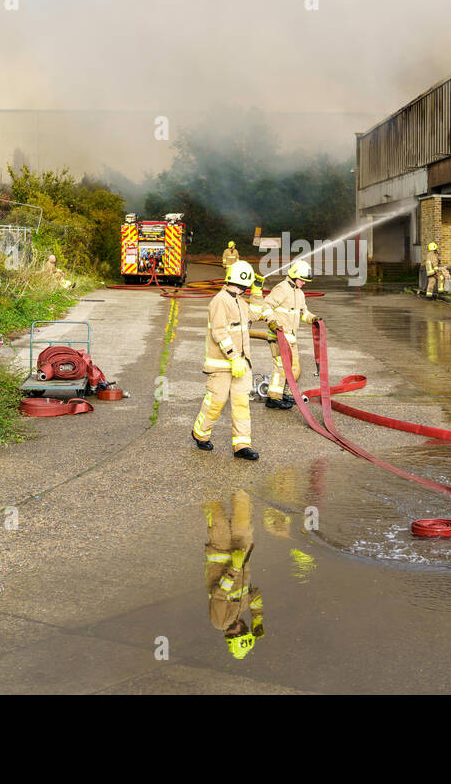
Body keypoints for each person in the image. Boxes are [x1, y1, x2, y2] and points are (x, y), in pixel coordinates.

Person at [191, 260, 265, 460]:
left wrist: (257, 294)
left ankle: (242, 445)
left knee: (242, 405)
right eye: (248, 285)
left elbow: (256, 315)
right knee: (216, 402)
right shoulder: (219, 301)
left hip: (242, 365)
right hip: (222, 365)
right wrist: (234, 357)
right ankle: (200, 434)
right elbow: (219, 333)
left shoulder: (240, 302)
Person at [203, 491, 265, 660]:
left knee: (215, 511)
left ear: (235, 635)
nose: (244, 626)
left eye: (243, 630)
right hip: (241, 551)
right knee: (242, 513)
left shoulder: (220, 622)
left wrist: (235, 569)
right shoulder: (240, 609)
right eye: (247, 628)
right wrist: (257, 618)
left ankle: (206, 480)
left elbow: (219, 594)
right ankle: (239, 481)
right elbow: (256, 595)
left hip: (221, 550)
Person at [260, 260, 317, 409]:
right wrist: (272, 322)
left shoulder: (299, 293)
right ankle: (273, 398)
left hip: (291, 338)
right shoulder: (282, 289)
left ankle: (284, 393)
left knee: (294, 368)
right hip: (278, 336)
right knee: (280, 367)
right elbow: (266, 305)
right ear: (294, 276)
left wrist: (314, 319)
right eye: (302, 280)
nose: (304, 283)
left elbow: (303, 313)